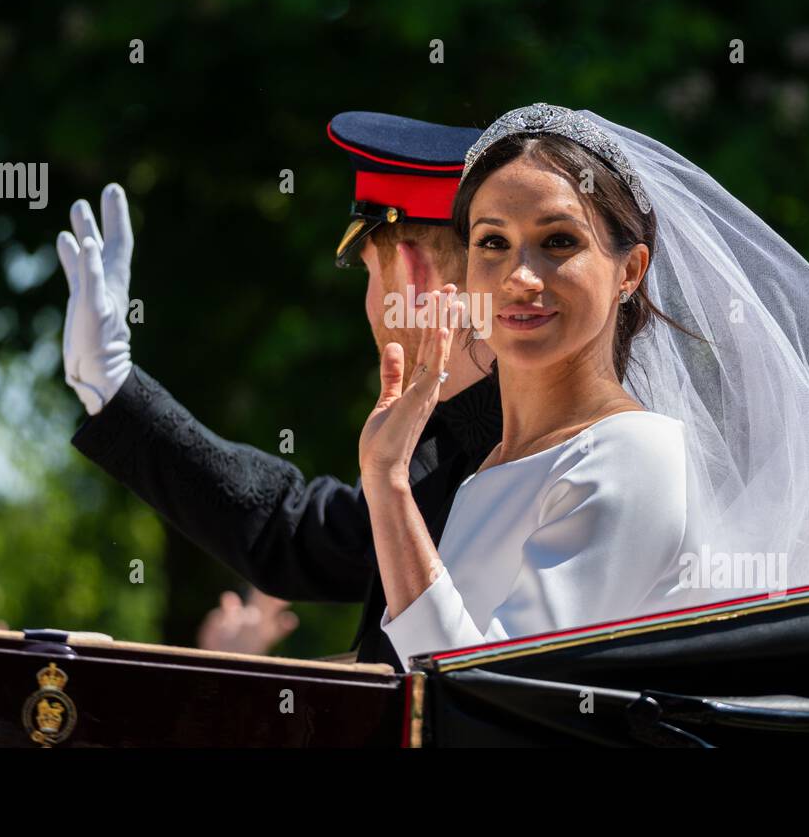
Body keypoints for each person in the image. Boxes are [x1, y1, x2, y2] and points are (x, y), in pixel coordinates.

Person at [358, 104, 809, 669]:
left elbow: (489, 691)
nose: (520, 277)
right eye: (491, 243)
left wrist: (388, 484)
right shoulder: (493, 468)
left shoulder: (631, 454)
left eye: (558, 242)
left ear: (629, 271)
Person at [56, 112, 500, 670]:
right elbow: (289, 529)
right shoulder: (451, 442)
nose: (368, 304)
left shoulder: (525, 440)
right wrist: (115, 388)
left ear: (410, 275)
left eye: (368, 273)